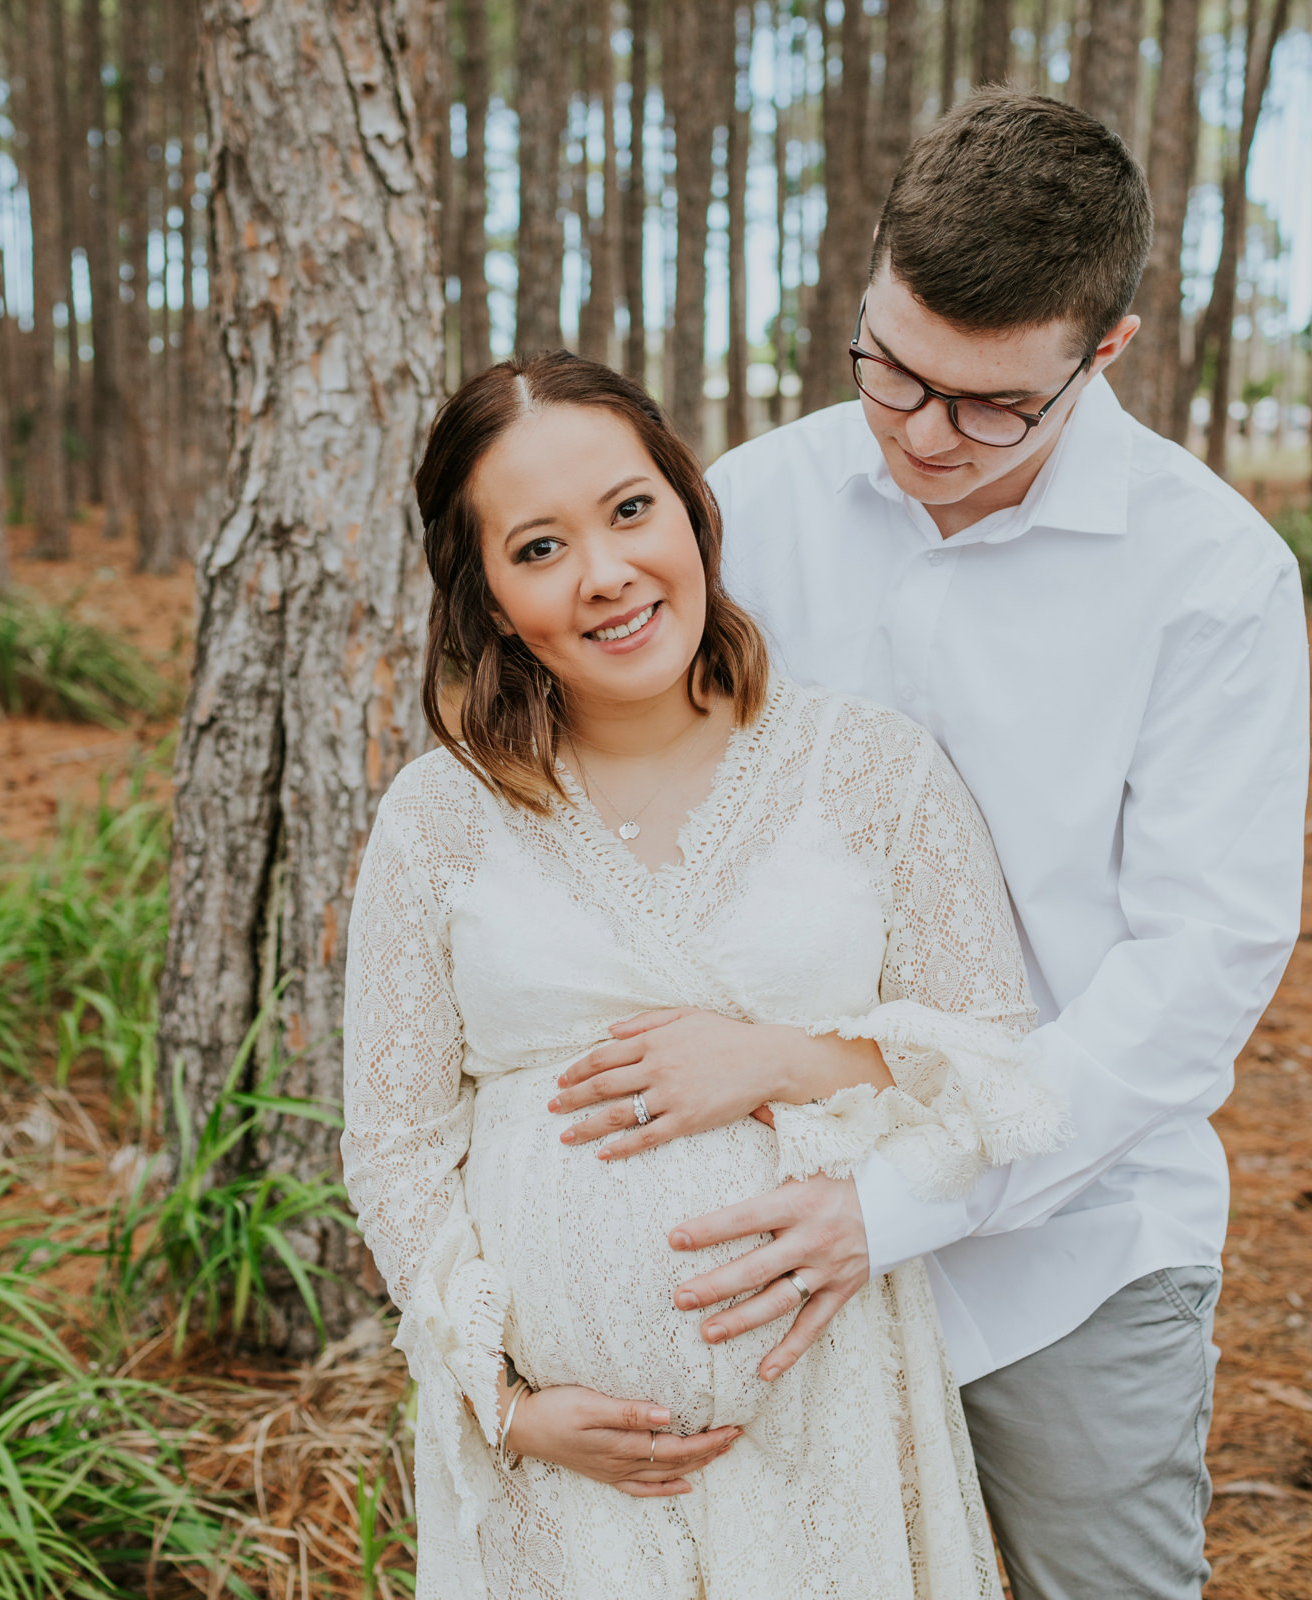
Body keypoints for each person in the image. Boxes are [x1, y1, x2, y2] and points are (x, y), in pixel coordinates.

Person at [541, 89, 1309, 1598]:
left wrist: (893, 1208)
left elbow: (1196, 977)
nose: (923, 435)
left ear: (1106, 351)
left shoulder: (1212, 579)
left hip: (1067, 1247)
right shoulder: (745, 509)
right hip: (745, 1229)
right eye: (891, 371)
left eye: (989, 405)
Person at [340, 351, 1073, 1598]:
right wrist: (507, 1406)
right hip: (567, 1484)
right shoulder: (439, 818)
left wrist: (787, 1059)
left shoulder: (871, 771)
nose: (606, 573)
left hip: (826, 1427)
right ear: (490, 598)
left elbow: (996, 1065)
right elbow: (395, 1147)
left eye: (631, 510)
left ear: (690, 505)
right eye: (538, 548)